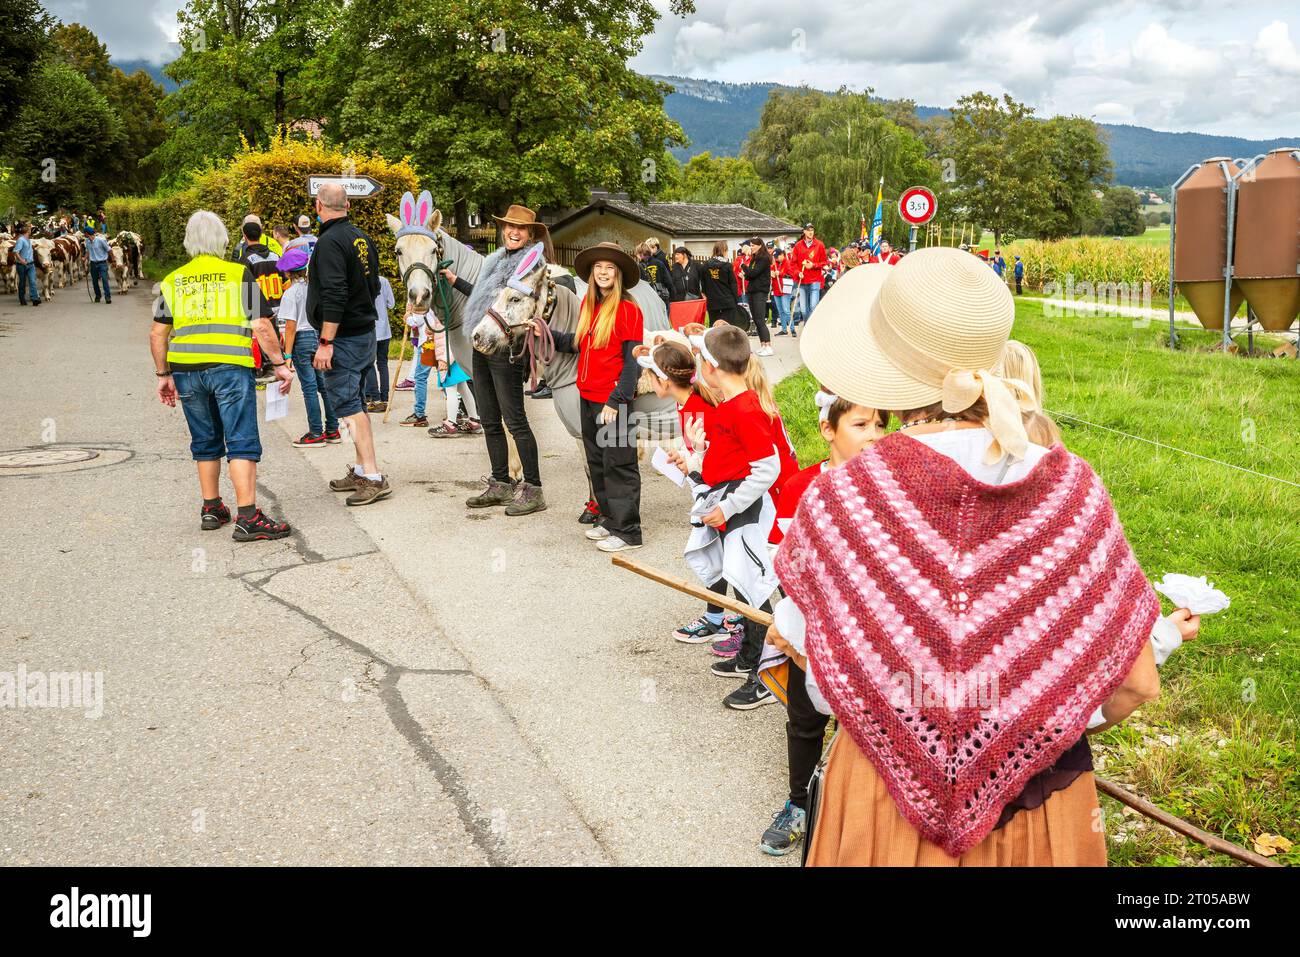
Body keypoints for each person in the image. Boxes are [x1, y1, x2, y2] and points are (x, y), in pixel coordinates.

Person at [772, 253, 1195, 865]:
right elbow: (1136, 683)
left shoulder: (843, 498)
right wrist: (1027, 728)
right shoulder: (1072, 495)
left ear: (891, 369)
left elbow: (814, 669)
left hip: (881, 808)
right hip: (1041, 813)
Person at [758, 388, 888, 855]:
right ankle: (797, 804)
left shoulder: (891, 487)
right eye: (860, 425)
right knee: (805, 717)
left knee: (865, 723)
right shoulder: (801, 488)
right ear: (827, 430)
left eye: (879, 425)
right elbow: (784, 560)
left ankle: (857, 808)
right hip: (813, 626)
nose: (873, 436)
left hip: (872, 634)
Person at [150, 210, 293, 541]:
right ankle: (248, 517)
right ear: (223, 240)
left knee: (205, 439)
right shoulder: (237, 274)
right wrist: (281, 364)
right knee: (240, 437)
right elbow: (260, 324)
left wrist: (163, 374)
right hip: (229, 368)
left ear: (188, 242)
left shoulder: (173, 280)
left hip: (186, 372)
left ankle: (212, 507)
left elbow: (158, 334)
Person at [675, 324, 781, 710]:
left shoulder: (745, 409)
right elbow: (727, 461)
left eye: (700, 359)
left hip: (748, 511)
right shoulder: (730, 406)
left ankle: (769, 675)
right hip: (735, 507)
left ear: (712, 367)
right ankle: (751, 656)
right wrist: (696, 460)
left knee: (756, 591)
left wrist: (728, 506)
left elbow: (766, 468)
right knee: (741, 582)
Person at [546, 242, 645, 552]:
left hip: (610, 402)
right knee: (598, 463)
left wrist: (616, 400)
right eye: (598, 267)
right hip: (587, 397)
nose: (603, 272)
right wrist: (544, 333)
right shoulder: (590, 308)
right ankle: (610, 520)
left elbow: (633, 362)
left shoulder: (628, 310)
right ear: (591, 274)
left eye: (609, 268)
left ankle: (629, 531)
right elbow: (577, 344)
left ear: (617, 275)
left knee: (619, 464)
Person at [460, 204, 552, 515]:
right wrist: (454, 280)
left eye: (521, 228)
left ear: (530, 235)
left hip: (508, 347)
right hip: (483, 341)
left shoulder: (532, 266)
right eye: (509, 226)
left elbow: (528, 308)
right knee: (488, 417)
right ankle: (501, 483)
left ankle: (534, 488)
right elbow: (484, 297)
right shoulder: (494, 260)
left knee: (515, 420)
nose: (513, 232)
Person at [307, 182, 391, 506]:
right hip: (364, 332)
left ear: (318, 206)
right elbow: (372, 286)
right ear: (348, 206)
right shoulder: (361, 238)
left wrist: (326, 340)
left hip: (342, 338)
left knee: (350, 407)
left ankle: (371, 476)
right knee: (355, 401)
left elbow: (335, 294)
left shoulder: (328, 243)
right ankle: (360, 469)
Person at [278, 246, 340, 447]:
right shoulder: (315, 289)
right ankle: (332, 429)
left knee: (309, 388)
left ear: (287, 272)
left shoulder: (290, 293)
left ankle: (315, 432)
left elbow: (290, 326)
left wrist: (287, 355)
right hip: (318, 335)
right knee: (324, 386)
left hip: (301, 339)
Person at [364, 275, 395, 412]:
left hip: (368, 328)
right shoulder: (383, 280)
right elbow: (391, 304)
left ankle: (375, 398)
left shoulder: (361, 279)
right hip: (384, 329)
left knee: (368, 364)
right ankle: (384, 397)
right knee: (383, 364)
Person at [740, 238, 774, 356]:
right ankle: (763, 345)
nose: (751, 247)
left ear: (760, 245)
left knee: (760, 319)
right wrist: (746, 271)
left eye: (753, 245)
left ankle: (768, 346)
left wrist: (743, 266)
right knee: (756, 319)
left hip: (760, 291)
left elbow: (753, 273)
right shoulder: (754, 258)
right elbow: (750, 276)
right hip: (752, 290)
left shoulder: (763, 258)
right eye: (750, 245)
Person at [791, 222, 827, 323]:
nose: (811, 232)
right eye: (808, 230)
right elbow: (793, 264)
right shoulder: (798, 246)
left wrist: (813, 265)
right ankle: (807, 326)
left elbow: (824, 262)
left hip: (815, 280)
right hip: (802, 281)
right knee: (803, 309)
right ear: (804, 231)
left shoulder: (819, 245)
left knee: (813, 306)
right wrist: (798, 272)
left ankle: (813, 327)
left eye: (812, 230)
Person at [700, 240, 738, 325]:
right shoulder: (727, 266)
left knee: (714, 326)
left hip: (712, 301)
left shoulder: (705, 266)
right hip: (727, 301)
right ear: (724, 251)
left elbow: (703, 284)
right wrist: (735, 299)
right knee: (728, 326)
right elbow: (733, 284)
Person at [636, 241, 672, 308]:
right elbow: (669, 282)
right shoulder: (659, 263)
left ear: (639, 254)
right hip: (662, 298)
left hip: (647, 300)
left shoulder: (637, 267)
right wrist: (672, 298)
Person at [13, 224, 40, 307]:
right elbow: (16, 251)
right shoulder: (21, 240)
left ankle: (35, 299)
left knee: (32, 281)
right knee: (22, 282)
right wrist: (21, 261)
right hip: (22, 265)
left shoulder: (29, 240)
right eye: (29, 230)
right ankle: (22, 299)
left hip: (31, 264)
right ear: (27, 231)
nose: (31, 231)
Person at [84, 226, 111, 304]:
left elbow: (109, 250)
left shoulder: (101, 240)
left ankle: (107, 297)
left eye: (84, 233)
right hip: (93, 264)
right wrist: (84, 258)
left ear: (87, 233)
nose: (84, 235)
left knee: (104, 279)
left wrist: (113, 260)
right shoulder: (87, 241)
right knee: (94, 281)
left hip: (102, 263)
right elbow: (88, 251)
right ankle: (98, 295)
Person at [772, 249, 796, 336]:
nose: (776, 259)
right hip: (776, 289)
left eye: (777, 257)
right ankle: (784, 329)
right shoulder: (775, 264)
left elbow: (791, 275)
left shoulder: (788, 263)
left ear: (782, 255)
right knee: (780, 311)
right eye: (774, 257)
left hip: (785, 289)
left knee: (786, 310)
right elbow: (771, 271)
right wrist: (771, 273)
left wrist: (780, 273)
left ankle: (792, 329)